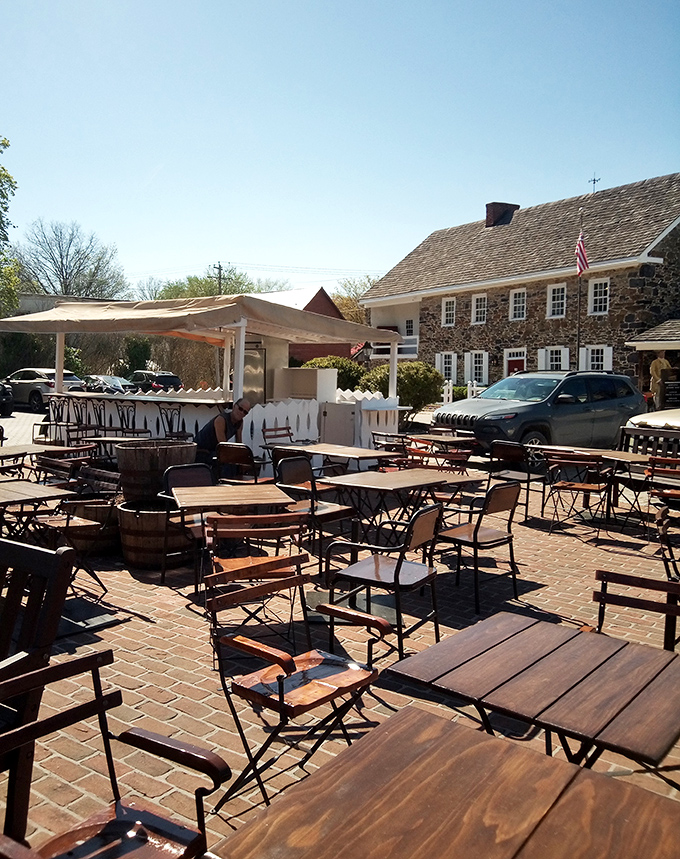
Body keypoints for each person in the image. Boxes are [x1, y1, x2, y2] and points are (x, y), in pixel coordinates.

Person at [194, 397, 250, 465]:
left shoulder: (239, 423)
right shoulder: (221, 420)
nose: (242, 413)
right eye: (240, 409)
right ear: (234, 406)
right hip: (200, 451)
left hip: (214, 451)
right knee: (226, 461)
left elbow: (239, 444)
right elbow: (223, 445)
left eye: (245, 412)